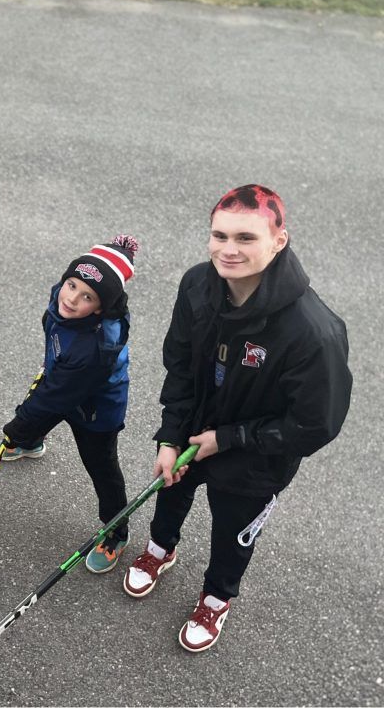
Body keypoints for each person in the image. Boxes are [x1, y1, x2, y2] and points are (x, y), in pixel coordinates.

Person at [123, 184, 352, 652]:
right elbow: (181, 365)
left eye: (246, 238)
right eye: (219, 236)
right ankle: (160, 550)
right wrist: (171, 437)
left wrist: (227, 439)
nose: (228, 250)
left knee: (233, 533)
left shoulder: (316, 333)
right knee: (171, 489)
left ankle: (216, 596)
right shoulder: (196, 284)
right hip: (192, 430)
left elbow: (315, 425)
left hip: (255, 458)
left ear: (278, 240)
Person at [0, 235, 141, 574]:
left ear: (102, 307)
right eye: (71, 284)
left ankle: (116, 531)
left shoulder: (95, 349)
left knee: (102, 468)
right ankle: (29, 443)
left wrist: (17, 426)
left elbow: (53, 399)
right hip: (65, 376)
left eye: (86, 296)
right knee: (41, 411)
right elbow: (55, 383)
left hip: (95, 412)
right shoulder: (63, 297)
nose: (71, 298)